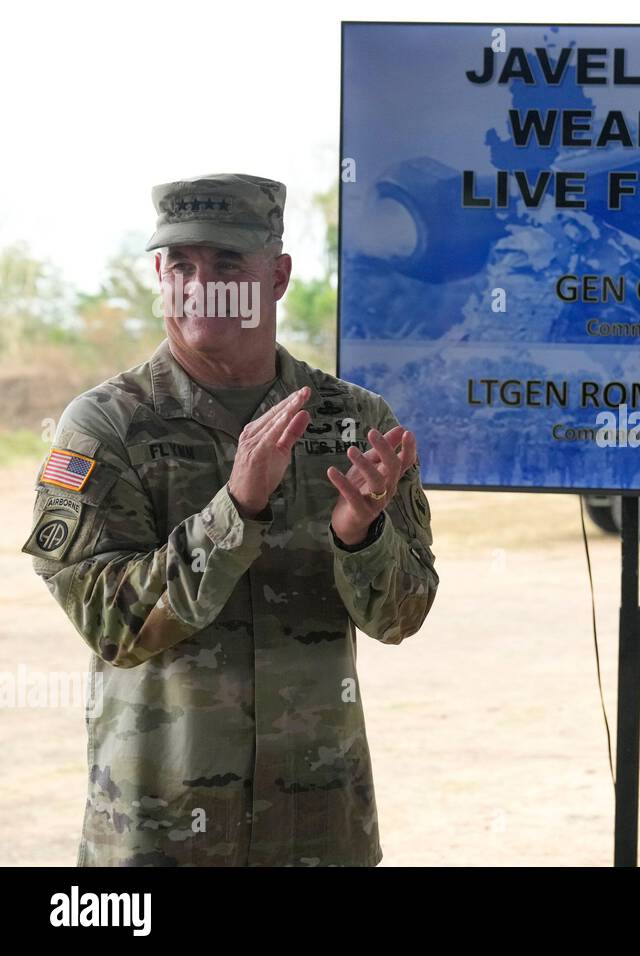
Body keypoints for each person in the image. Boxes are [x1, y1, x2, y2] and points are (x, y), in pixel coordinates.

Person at [24, 173, 439, 866]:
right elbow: (110, 625)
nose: (199, 285)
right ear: (160, 277)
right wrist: (234, 510)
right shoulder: (108, 424)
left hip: (316, 828)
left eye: (226, 263)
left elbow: (402, 616)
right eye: (180, 265)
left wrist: (360, 535)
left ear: (277, 276)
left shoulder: (354, 421)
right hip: (159, 829)